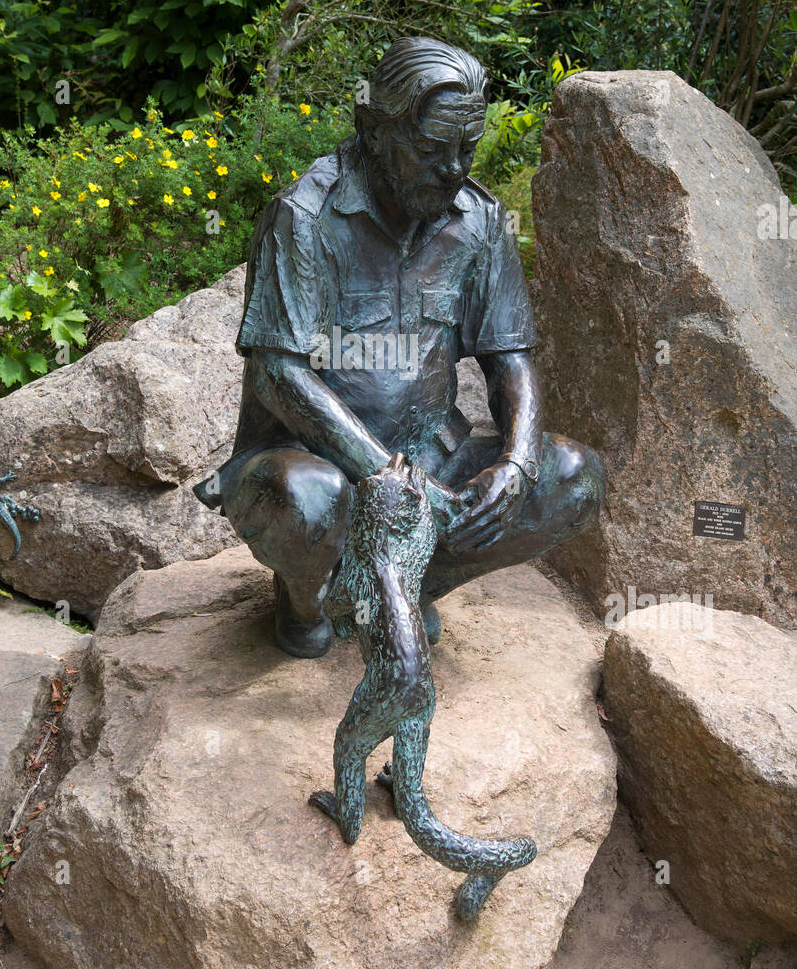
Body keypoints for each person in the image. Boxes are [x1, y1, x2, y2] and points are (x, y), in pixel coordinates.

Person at [195, 37, 604, 657]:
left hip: (435, 465)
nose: (454, 170)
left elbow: (509, 359)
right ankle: (311, 599)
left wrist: (516, 464)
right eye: (432, 149)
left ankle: (405, 589)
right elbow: (280, 375)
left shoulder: (480, 222)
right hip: (316, 470)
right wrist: (389, 480)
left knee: (573, 477)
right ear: (375, 130)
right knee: (310, 501)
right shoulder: (304, 218)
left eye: (468, 149)